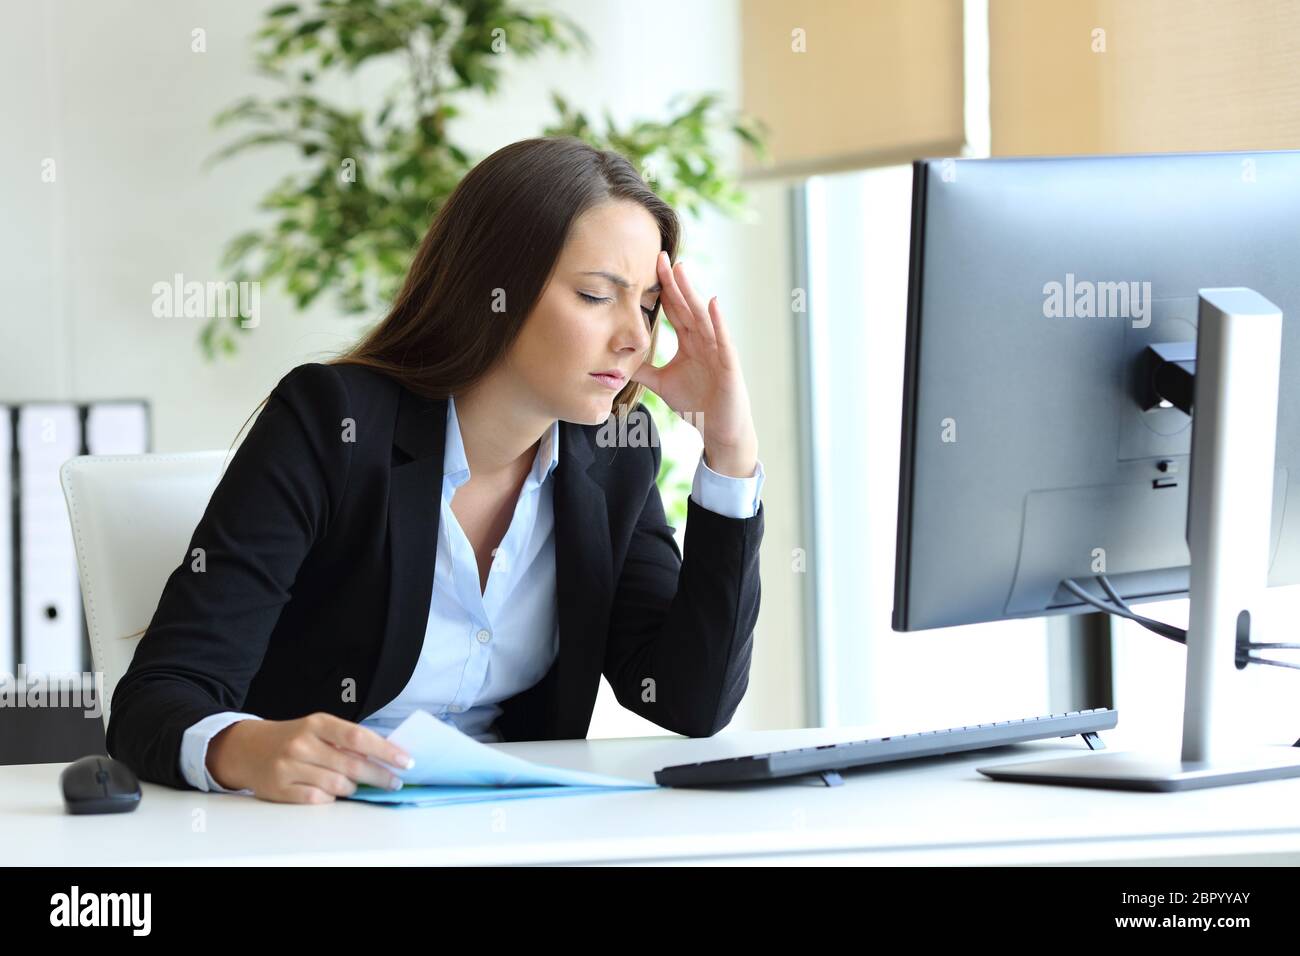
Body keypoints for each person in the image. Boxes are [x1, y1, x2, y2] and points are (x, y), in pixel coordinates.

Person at [106, 136, 765, 804]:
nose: (635, 336)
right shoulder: (333, 424)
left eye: (650, 305)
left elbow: (692, 701)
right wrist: (246, 749)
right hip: (310, 833)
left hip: (504, 835)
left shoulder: (615, 455)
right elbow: (156, 701)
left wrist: (729, 449)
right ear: (494, 289)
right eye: (598, 295)